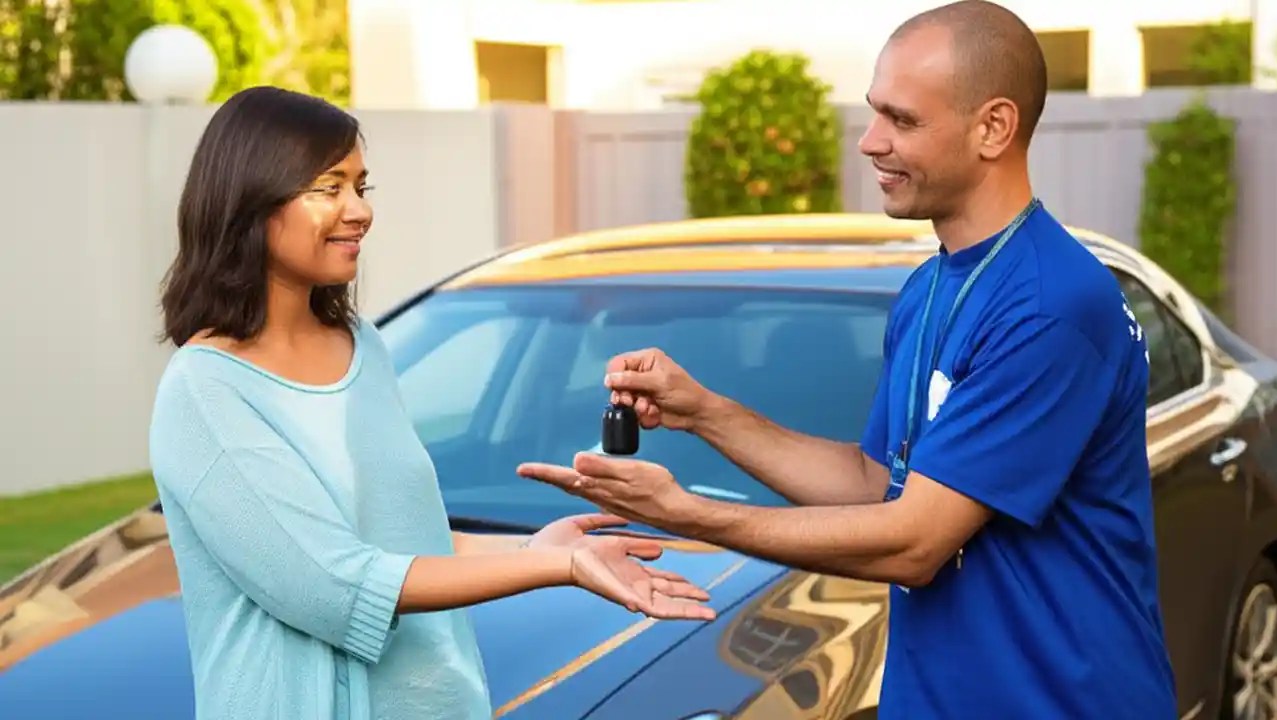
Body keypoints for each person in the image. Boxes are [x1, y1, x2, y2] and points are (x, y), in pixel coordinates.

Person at [516, 2, 1178, 718]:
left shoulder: (1051, 304)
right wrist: (705, 414)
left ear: (994, 127)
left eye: (902, 120)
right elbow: (874, 483)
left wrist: (683, 512)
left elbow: (914, 542)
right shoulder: (933, 284)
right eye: (874, 114)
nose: (869, 141)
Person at [147, 85, 715, 720]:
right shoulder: (206, 390)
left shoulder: (360, 347)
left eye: (362, 187)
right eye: (328, 188)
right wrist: (560, 569)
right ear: (250, 202)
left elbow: (407, 541)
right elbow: (334, 587)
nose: (358, 210)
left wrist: (535, 550)